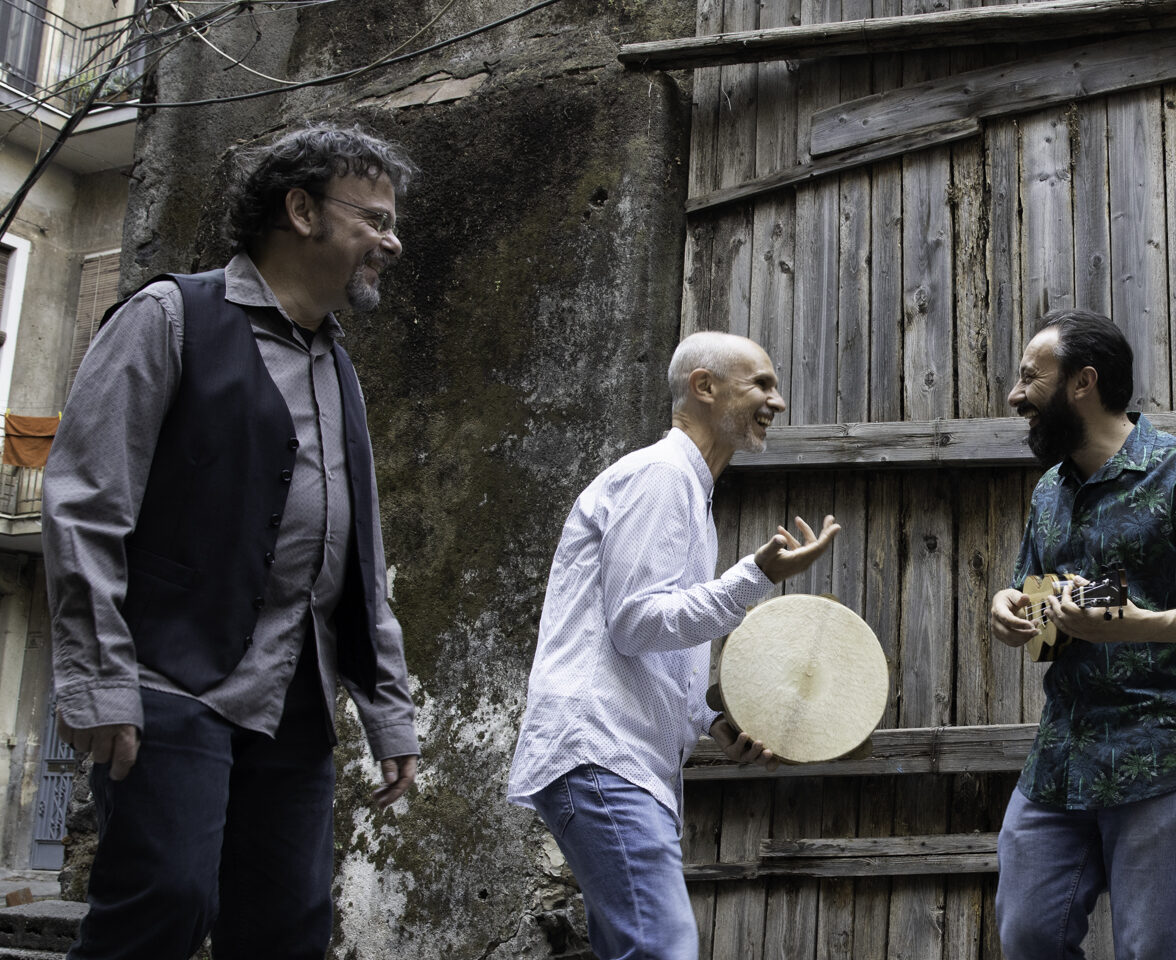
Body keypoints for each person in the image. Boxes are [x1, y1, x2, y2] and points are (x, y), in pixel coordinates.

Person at [44, 123, 422, 959]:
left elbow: (357, 556)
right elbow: (83, 507)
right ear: (301, 211)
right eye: (376, 219)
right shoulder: (170, 317)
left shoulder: (337, 366)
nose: (392, 242)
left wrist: (386, 710)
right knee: (166, 905)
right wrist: (99, 680)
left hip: (294, 694)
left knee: (289, 929)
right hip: (169, 677)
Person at [506, 331, 840, 960]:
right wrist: (755, 576)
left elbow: (646, 645)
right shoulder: (661, 476)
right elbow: (635, 622)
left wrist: (709, 722)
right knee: (663, 949)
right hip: (603, 754)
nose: (780, 400)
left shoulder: (687, 489)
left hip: (617, 759)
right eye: (761, 384)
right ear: (704, 387)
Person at [985, 309, 1176, 959]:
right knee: (1029, 932)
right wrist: (1013, 609)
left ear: (1082, 383)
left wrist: (1146, 625)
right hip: (1063, 756)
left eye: (1031, 377)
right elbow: (1045, 624)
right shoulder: (1049, 493)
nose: (1015, 394)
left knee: (1152, 951)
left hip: (1165, 753)